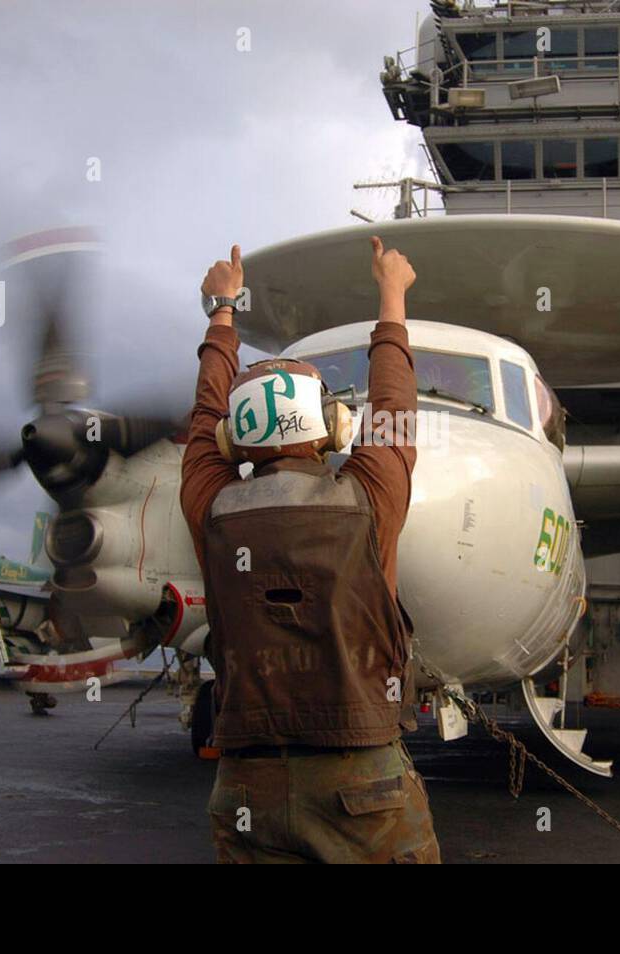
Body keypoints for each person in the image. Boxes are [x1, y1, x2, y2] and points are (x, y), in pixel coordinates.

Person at [180, 238, 440, 864]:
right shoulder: (369, 499)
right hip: (363, 785)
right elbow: (395, 409)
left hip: (248, 789)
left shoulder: (211, 509)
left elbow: (202, 417)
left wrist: (223, 313)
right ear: (334, 426)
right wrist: (392, 296)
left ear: (230, 440)